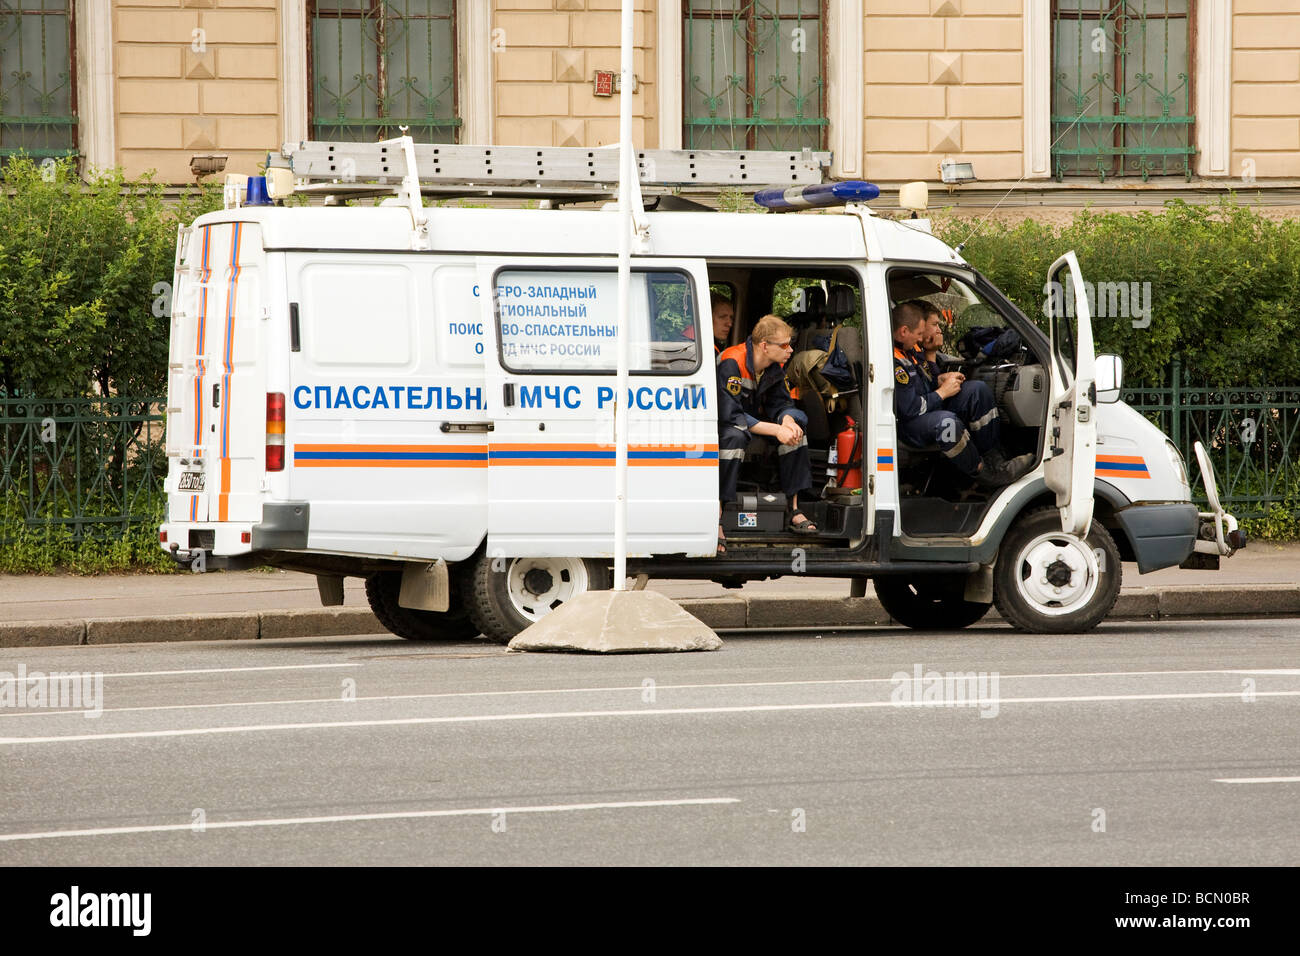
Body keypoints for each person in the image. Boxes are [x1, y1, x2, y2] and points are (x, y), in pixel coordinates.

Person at [892, 301, 1031, 488]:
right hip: (909, 425)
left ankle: (994, 460)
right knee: (947, 423)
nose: (920, 340)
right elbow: (910, 409)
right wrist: (942, 393)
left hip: (927, 408)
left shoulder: (910, 351)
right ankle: (982, 472)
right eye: (918, 334)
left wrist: (940, 379)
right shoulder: (895, 361)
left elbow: (924, 384)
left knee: (977, 390)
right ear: (903, 331)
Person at [717, 314, 817, 553]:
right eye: (784, 345)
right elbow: (731, 413)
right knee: (734, 438)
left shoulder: (774, 367)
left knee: (796, 434)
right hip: (727, 424)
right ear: (764, 346)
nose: (791, 350)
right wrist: (776, 429)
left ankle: (794, 508)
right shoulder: (733, 361)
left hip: (756, 424)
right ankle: (717, 515)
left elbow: (780, 404)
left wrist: (788, 421)